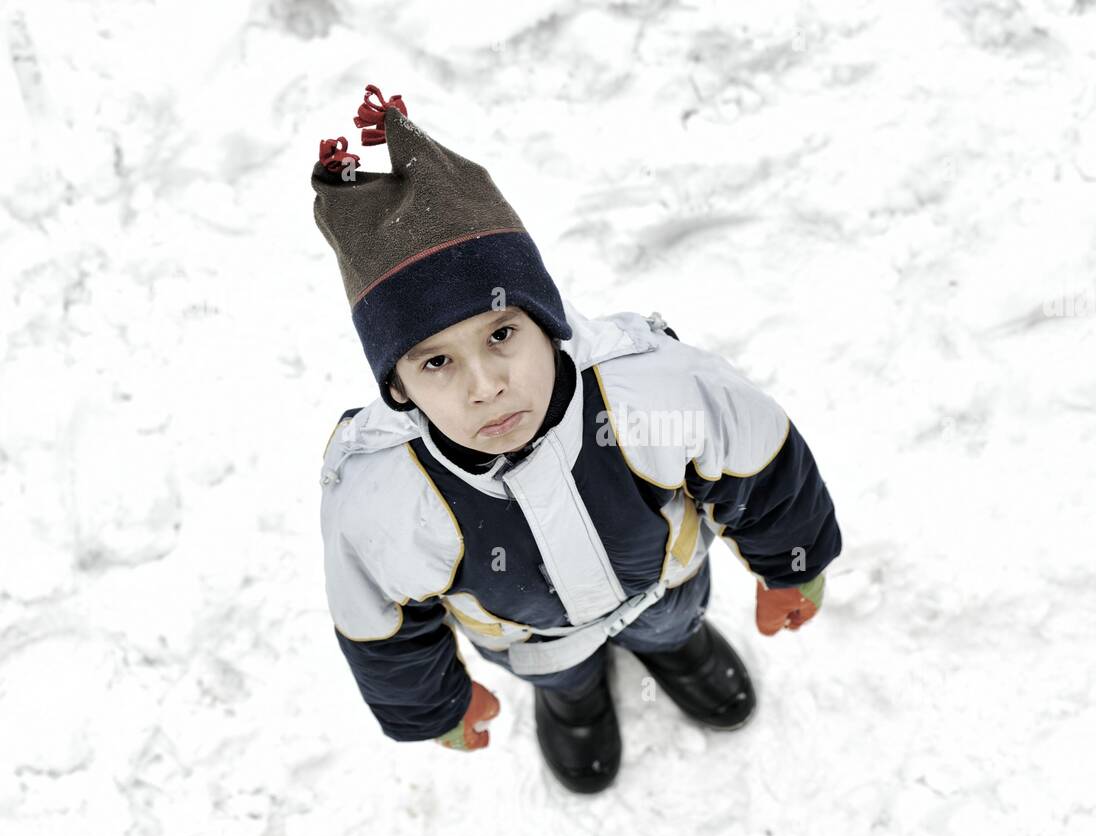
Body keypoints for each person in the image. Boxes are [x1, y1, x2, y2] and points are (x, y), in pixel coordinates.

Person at [312, 84, 842, 794]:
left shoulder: (651, 391)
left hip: (665, 587)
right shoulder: (384, 496)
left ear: (547, 321)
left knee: (671, 623)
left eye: (502, 335)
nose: (485, 385)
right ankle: (574, 700)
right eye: (437, 362)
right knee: (563, 671)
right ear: (398, 385)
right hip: (533, 642)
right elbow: (379, 616)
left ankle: (678, 650)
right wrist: (434, 705)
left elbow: (764, 466)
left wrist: (793, 565)